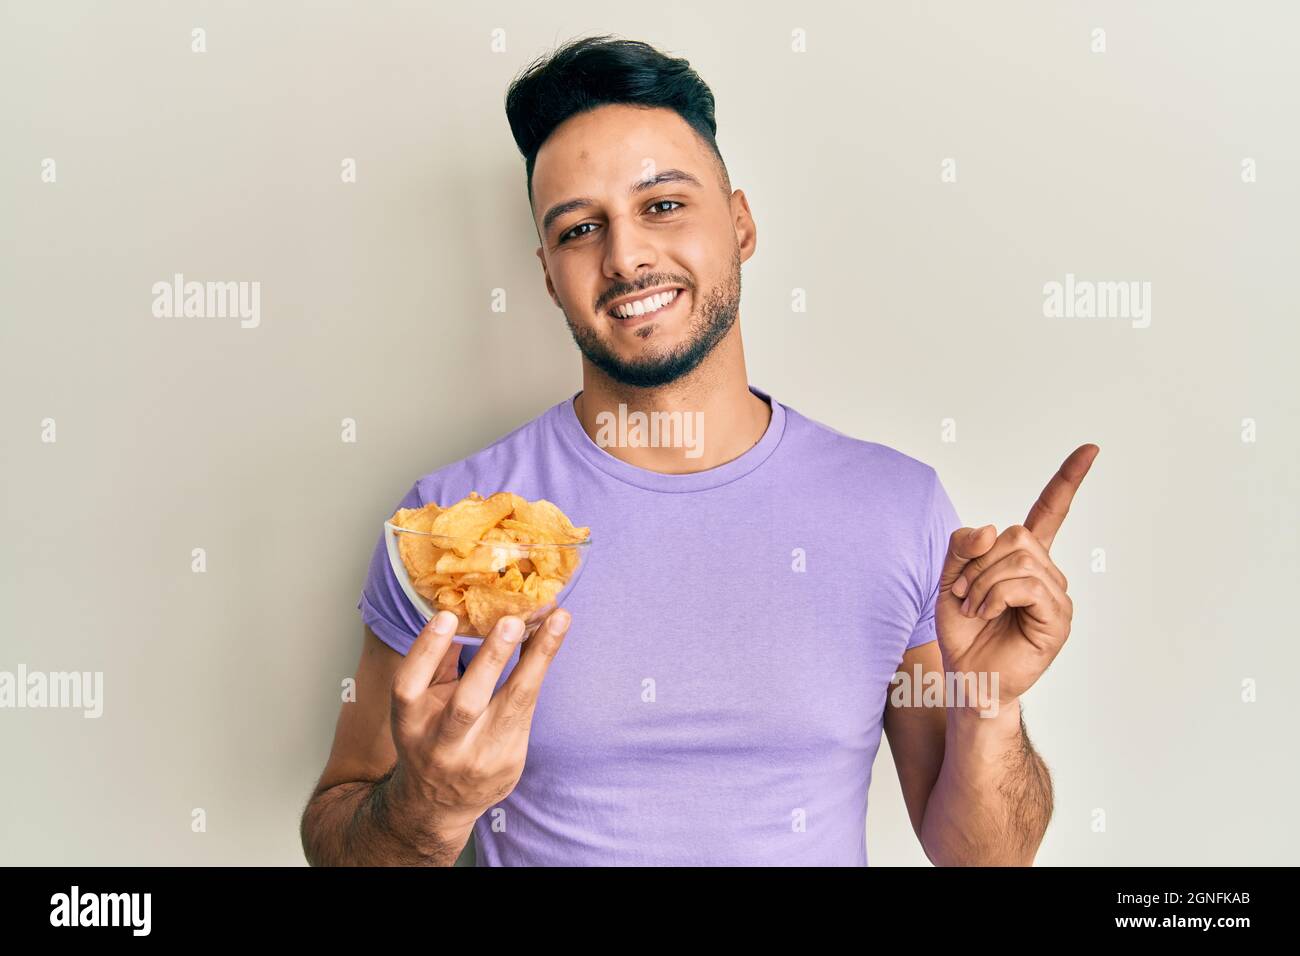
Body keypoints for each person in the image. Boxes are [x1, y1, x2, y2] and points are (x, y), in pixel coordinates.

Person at [299, 35, 1098, 866]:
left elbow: (985, 859)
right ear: (546, 274)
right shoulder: (449, 530)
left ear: (741, 224)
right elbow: (339, 840)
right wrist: (427, 807)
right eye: (579, 229)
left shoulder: (897, 507)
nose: (626, 256)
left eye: (664, 205)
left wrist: (989, 706)